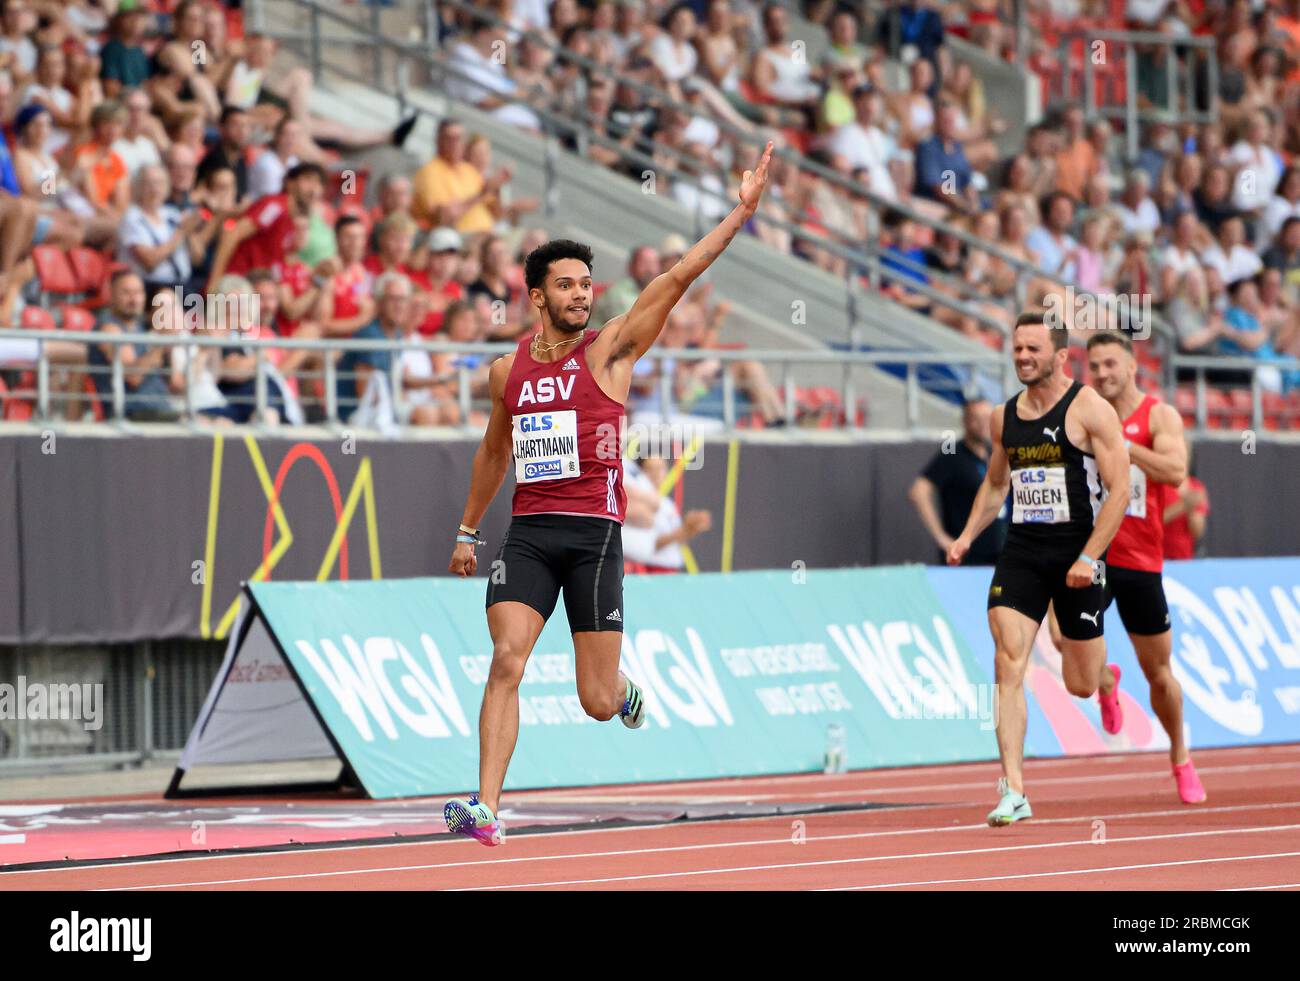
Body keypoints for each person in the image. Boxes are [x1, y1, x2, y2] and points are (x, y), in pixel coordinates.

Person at [442, 141, 775, 847]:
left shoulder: (612, 349)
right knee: (507, 658)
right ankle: (487, 806)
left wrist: (740, 212)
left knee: (595, 700)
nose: (581, 293)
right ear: (536, 296)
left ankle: (625, 691)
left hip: (594, 537)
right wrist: (469, 531)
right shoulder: (507, 372)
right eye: (566, 284)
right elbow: (495, 451)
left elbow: (681, 274)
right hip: (530, 532)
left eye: (586, 283)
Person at [947, 311, 1130, 827]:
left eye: (1032, 350)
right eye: (1017, 350)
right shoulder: (1004, 418)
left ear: (1059, 355)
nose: (1023, 358)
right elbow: (996, 485)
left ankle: (1107, 680)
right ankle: (1014, 791)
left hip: (1079, 554)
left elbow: (1118, 491)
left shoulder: (1090, 409)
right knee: (1008, 662)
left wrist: (1090, 556)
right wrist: (965, 536)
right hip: (1024, 551)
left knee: (1081, 683)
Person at [1087, 332, 1206, 803]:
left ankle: (1181, 757)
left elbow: (1176, 472)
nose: (1101, 374)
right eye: (1094, 366)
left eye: (1110, 364)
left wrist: (1123, 446)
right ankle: (1104, 681)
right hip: (1092, 553)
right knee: (1060, 637)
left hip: (1139, 559)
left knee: (1159, 673)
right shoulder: (1084, 413)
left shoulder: (1158, 415)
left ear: (1133, 366)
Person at [910, 397, 1007, 564]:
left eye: (987, 418)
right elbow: (918, 491)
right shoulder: (952, 452)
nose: (983, 424)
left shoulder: (994, 451)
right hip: (967, 553)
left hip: (999, 548)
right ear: (965, 421)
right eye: (976, 418)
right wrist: (941, 537)